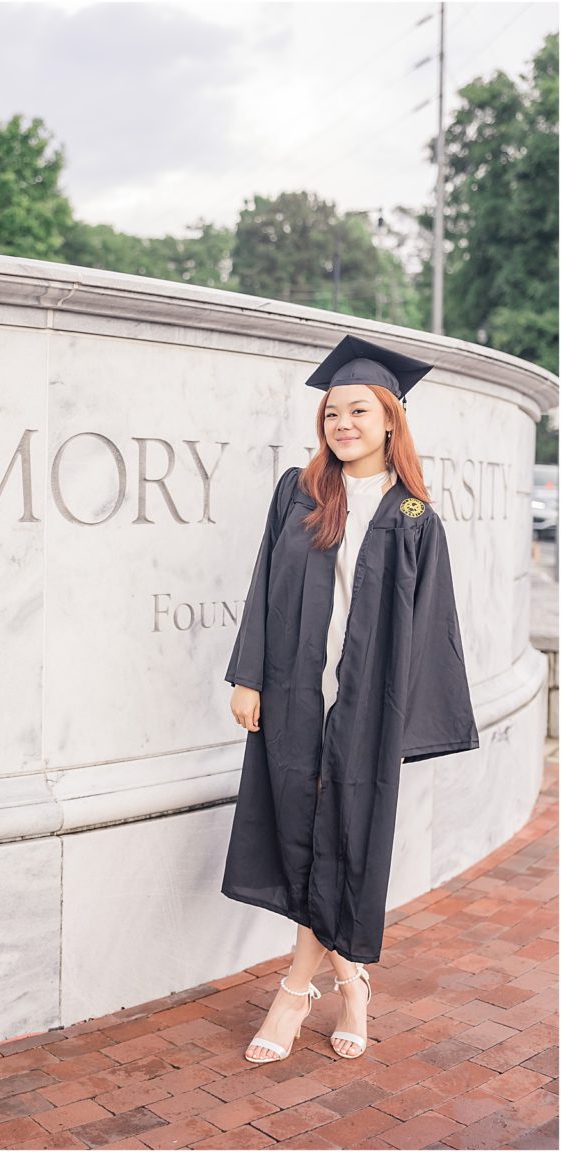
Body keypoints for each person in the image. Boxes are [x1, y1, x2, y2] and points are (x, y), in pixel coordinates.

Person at [222, 334, 479, 1064]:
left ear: (391, 420)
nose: (343, 424)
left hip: (366, 711)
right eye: (333, 412)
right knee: (301, 838)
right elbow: (264, 585)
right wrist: (249, 676)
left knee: (342, 843)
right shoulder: (298, 492)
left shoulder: (415, 518)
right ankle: (351, 981)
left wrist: (405, 722)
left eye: (359, 411)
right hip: (295, 697)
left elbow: (432, 628)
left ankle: (294, 991)